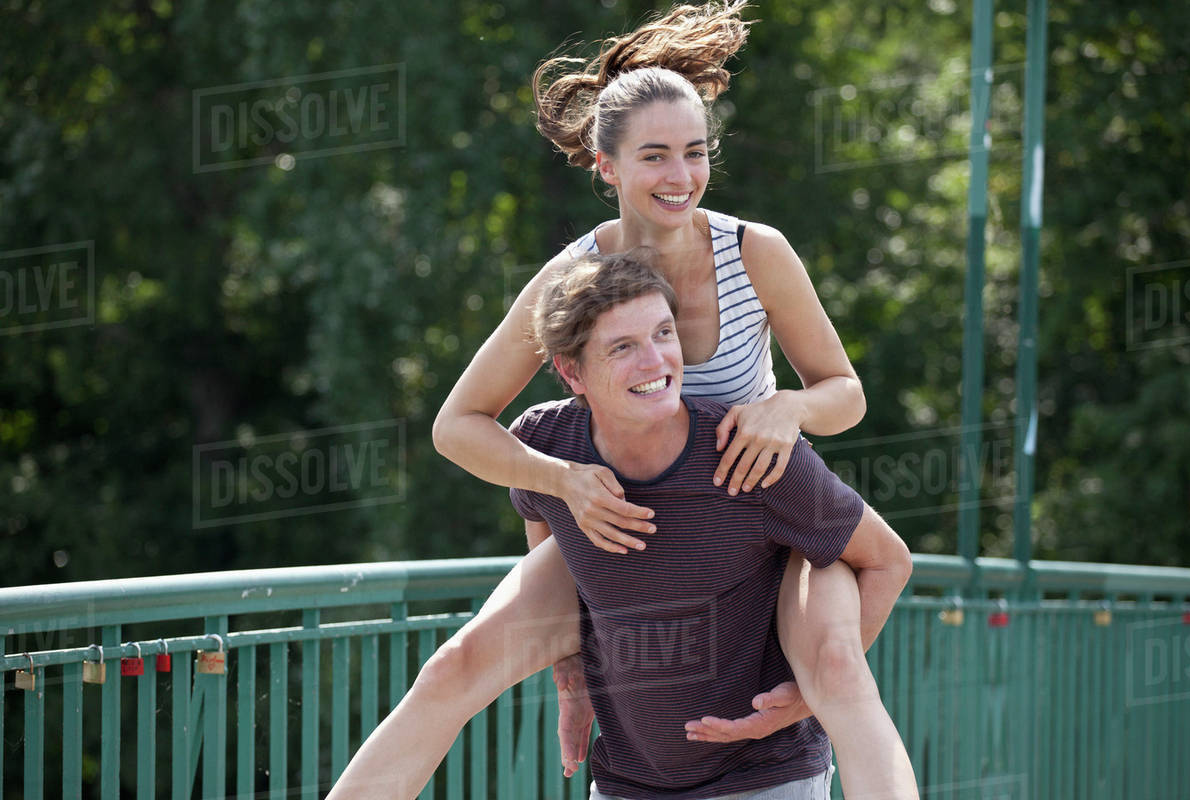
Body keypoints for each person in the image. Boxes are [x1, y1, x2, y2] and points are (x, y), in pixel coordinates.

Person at [329, 2, 916, 797]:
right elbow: (458, 428)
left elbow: (845, 394)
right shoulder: (573, 280)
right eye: (655, 156)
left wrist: (791, 410)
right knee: (454, 666)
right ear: (606, 166)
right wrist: (565, 486)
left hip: (759, 522)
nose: (680, 176)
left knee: (842, 672)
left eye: (695, 153)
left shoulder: (756, 252)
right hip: (624, 524)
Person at [327, 250, 916, 799]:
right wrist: (569, 667)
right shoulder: (547, 444)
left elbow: (890, 559)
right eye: (623, 347)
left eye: (663, 334)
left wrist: (805, 699)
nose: (656, 360)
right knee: (449, 668)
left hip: (759, 776)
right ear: (572, 372)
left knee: (840, 670)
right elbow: (543, 526)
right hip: (630, 779)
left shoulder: (751, 455)